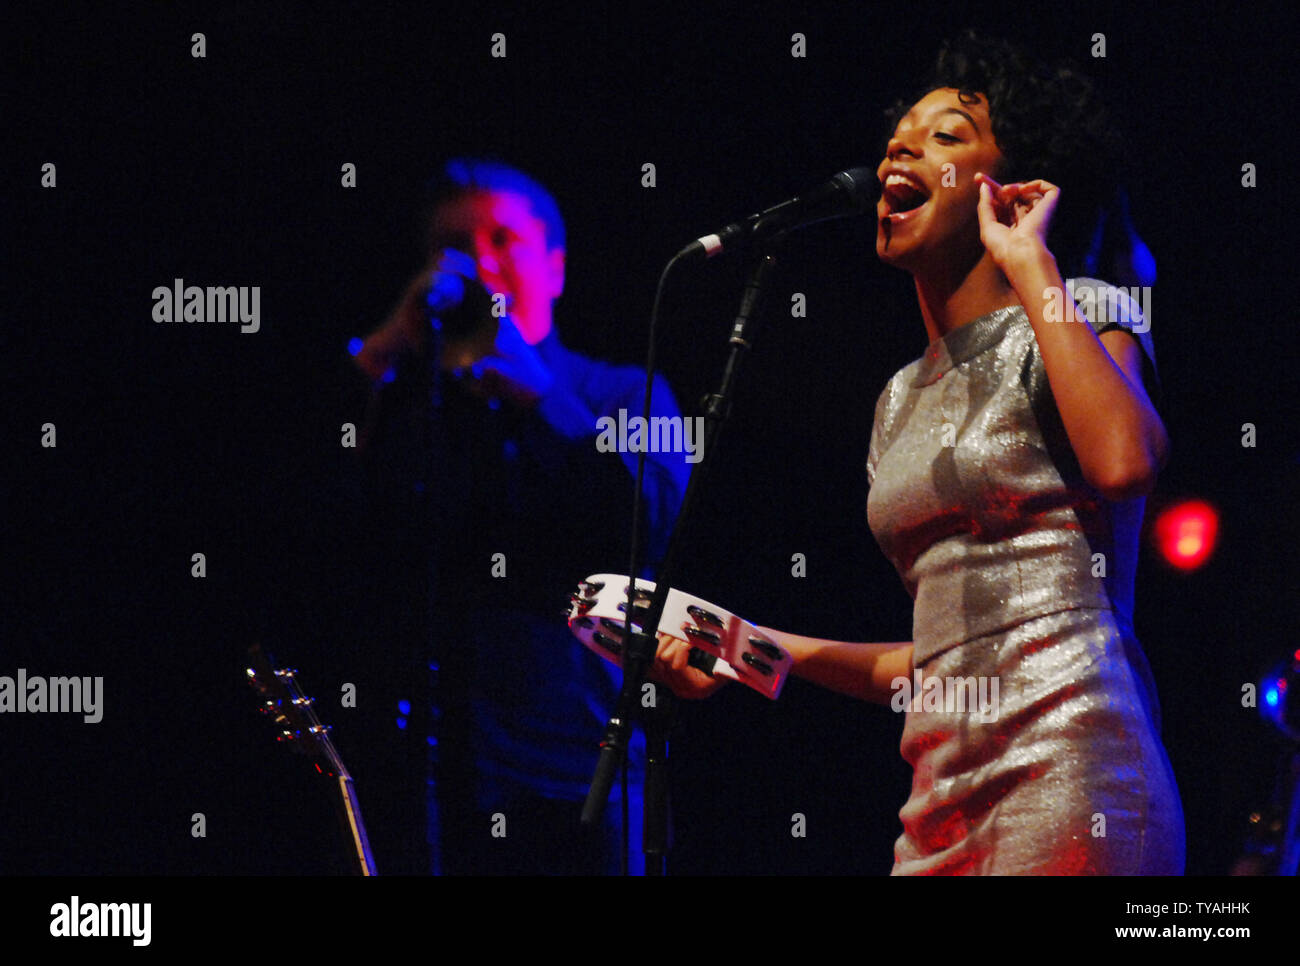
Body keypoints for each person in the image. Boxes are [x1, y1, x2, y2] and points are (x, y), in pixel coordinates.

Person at [655, 32, 1184, 875]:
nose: (901, 145)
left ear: (1006, 183)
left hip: (1072, 768)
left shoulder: (1079, 309)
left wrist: (1030, 260)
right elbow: (939, 657)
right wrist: (763, 645)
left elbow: (1124, 463)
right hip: (938, 792)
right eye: (901, 132)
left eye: (947, 134)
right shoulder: (899, 398)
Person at [354, 159, 690, 874]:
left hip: (585, 773)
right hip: (439, 773)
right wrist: (384, 351)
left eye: (503, 240)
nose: (479, 261)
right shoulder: (417, 405)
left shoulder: (627, 392)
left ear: (556, 268)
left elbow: (652, 521)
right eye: (455, 246)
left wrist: (543, 400)